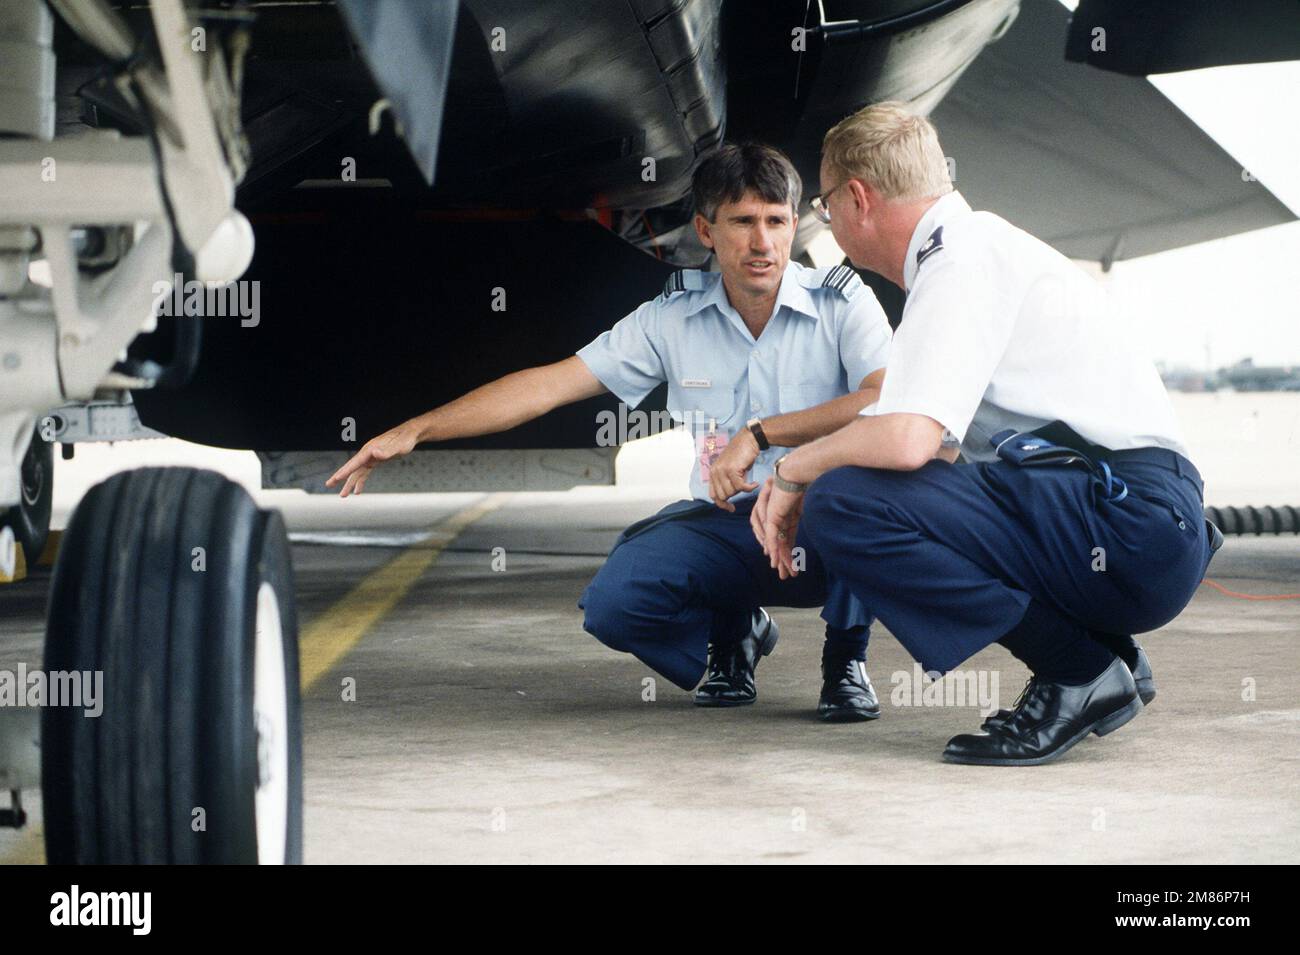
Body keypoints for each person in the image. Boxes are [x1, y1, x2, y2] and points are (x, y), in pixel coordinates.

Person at [327, 143, 894, 720]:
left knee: (877, 501)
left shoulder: (842, 304)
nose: (762, 242)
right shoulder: (671, 319)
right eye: (742, 222)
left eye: (776, 221)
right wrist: (418, 429)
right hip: (731, 526)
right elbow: (551, 384)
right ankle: (735, 630)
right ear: (705, 229)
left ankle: (845, 659)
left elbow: (885, 398)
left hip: (827, 523)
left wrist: (761, 433)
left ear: (794, 224)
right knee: (615, 606)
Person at [751, 103, 1219, 763]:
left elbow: (908, 439)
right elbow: (933, 452)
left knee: (845, 503)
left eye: (825, 208)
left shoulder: (960, 259)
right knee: (882, 488)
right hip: (1139, 527)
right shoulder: (976, 248)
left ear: (858, 199)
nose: (828, 224)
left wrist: (794, 468)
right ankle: (1108, 656)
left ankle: (1077, 671)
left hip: (1130, 525)